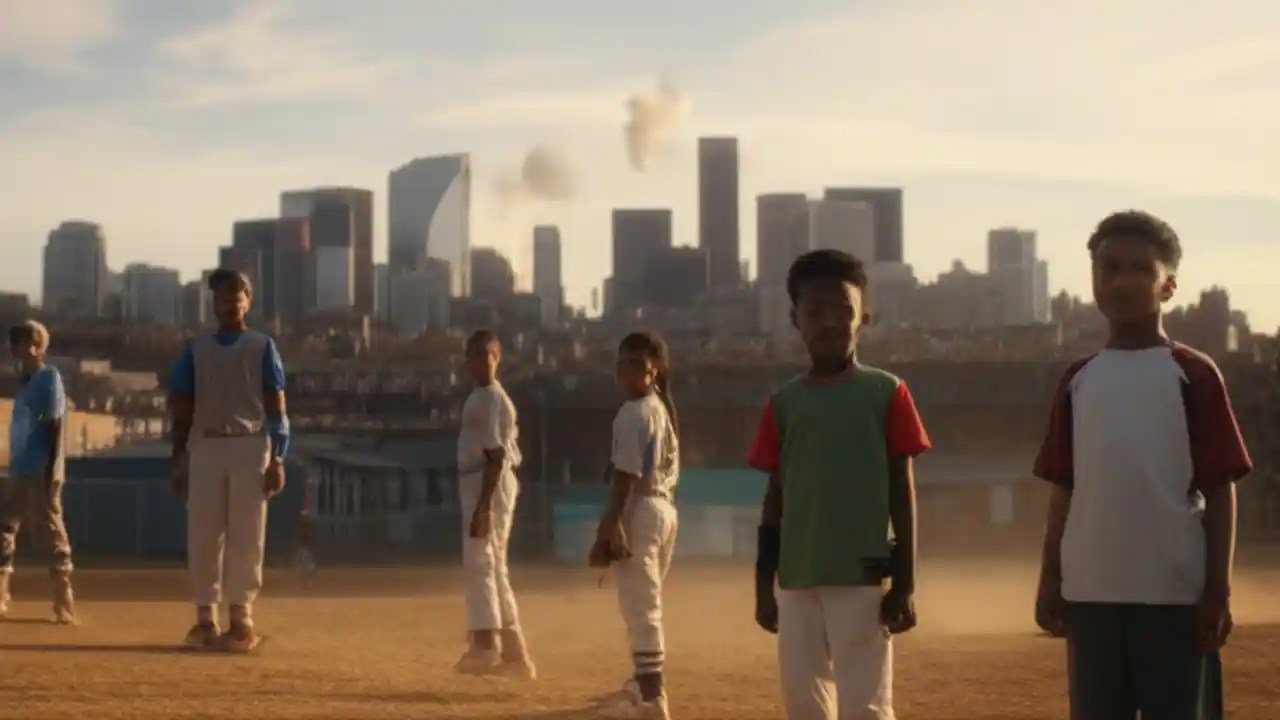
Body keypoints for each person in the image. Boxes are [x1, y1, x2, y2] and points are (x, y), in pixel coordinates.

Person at [1033, 210, 1252, 720]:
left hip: (1174, 596)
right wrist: (1050, 579)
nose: (1122, 280)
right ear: (1093, 280)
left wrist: (1217, 590)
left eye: (1139, 269)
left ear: (1168, 285)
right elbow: (1063, 489)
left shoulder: (1193, 374)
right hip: (1091, 596)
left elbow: (1221, 488)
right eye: (1109, 267)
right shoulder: (1078, 380)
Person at [748, 250, 931, 720]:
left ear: (863, 315)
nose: (830, 322)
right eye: (815, 312)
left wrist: (905, 583)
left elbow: (902, 492)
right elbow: (775, 500)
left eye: (843, 310)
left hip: (864, 577)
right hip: (796, 578)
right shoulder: (783, 404)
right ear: (795, 319)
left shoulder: (887, 393)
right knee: (803, 705)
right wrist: (763, 585)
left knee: (867, 706)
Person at [168, 269, 290, 653]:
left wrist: (279, 457)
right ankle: (205, 617)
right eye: (220, 299)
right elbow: (182, 403)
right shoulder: (196, 348)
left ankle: (241, 617)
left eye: (234, 298)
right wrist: (179, 457)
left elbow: (276, 404)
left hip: (251, 443)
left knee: (246, 534)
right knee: (204, 533)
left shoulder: (261, 345)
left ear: (248, 301)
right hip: (206, 444)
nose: (227, 306)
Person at [591, 331, 681, 720]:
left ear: (654, 370)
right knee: (647, 602)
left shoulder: (634, 412)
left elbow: (626, 475)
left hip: (641, 510)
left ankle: (651, 697)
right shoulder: (661, 407)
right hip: (664, 511)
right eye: (622, 363)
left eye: (637, 364)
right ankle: (640, 683)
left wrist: (608, 526)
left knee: (641, 609)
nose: (626, 371)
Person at [453, 329, 536, 679]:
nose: (480, 361)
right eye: (474, 355)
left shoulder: (494, 400)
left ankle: (485, 643)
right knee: (493, 564)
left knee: (480, 558)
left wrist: (484, 504)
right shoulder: (479, 397)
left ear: (497, 358)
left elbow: (497, 455)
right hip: (475, 478)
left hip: (489, 480)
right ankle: (515, 653)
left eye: (486, 354)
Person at [0, 320, 76, 624]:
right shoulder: (25, 384)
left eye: (18, 342)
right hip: (19, 468)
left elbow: (53, 423)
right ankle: (2, 595)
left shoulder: (49, 378)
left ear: (35, 345)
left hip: (39, 468)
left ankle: (63, 601)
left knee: (51, 534)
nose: (13, 349)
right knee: (5, 528)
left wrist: (51, 471)